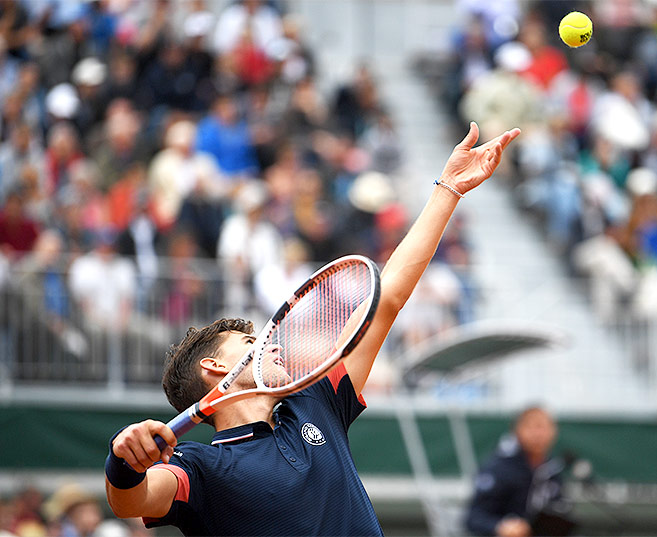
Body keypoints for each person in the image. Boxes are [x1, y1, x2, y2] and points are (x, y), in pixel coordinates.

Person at [104, 123, 520, 536]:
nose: (272, 345)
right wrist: (124, 460)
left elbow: (386, 299)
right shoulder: (199, 467)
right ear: (213, 368)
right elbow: (130, 499)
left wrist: (448, 188)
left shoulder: (316, 403)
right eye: (252, 342)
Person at [465, 407, 574, 537]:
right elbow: (473, 518)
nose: (538, 434)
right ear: (516, 430)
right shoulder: (498, 468)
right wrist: (500, 526)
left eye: (544, 427)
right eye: (532, 427)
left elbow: (560, 509)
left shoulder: (553, 469)